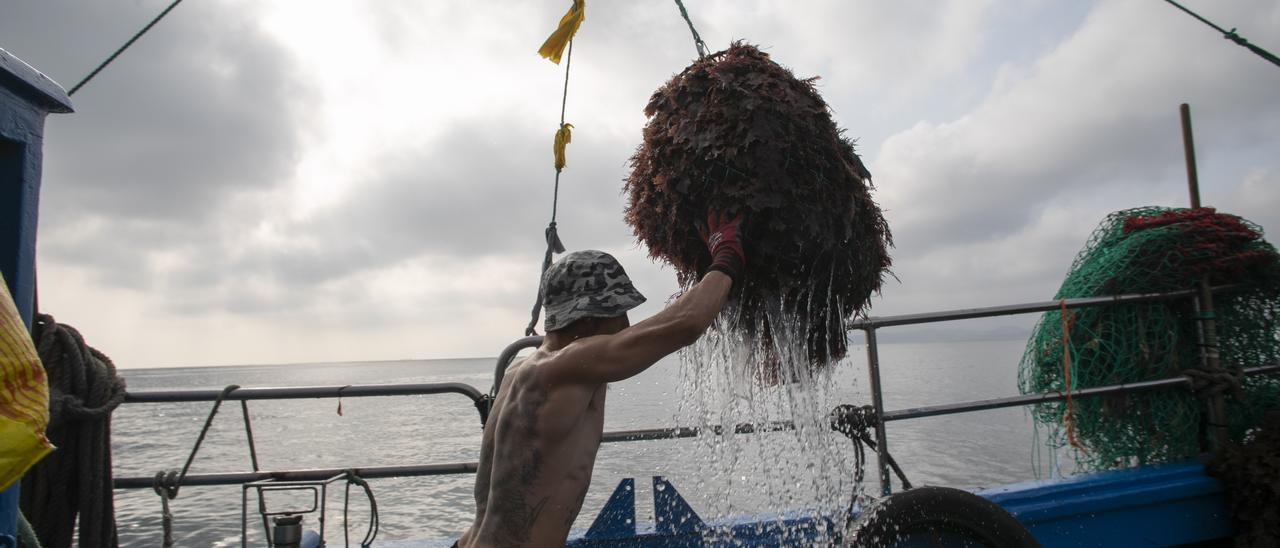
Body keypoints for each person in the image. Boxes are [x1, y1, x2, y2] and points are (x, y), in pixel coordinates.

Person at [457, 211, 746, 547]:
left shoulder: (518, 372)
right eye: (618, 311)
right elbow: (685, 324)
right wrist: (727, 255)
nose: (626, 325)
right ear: (586, 321)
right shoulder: (563, 367)